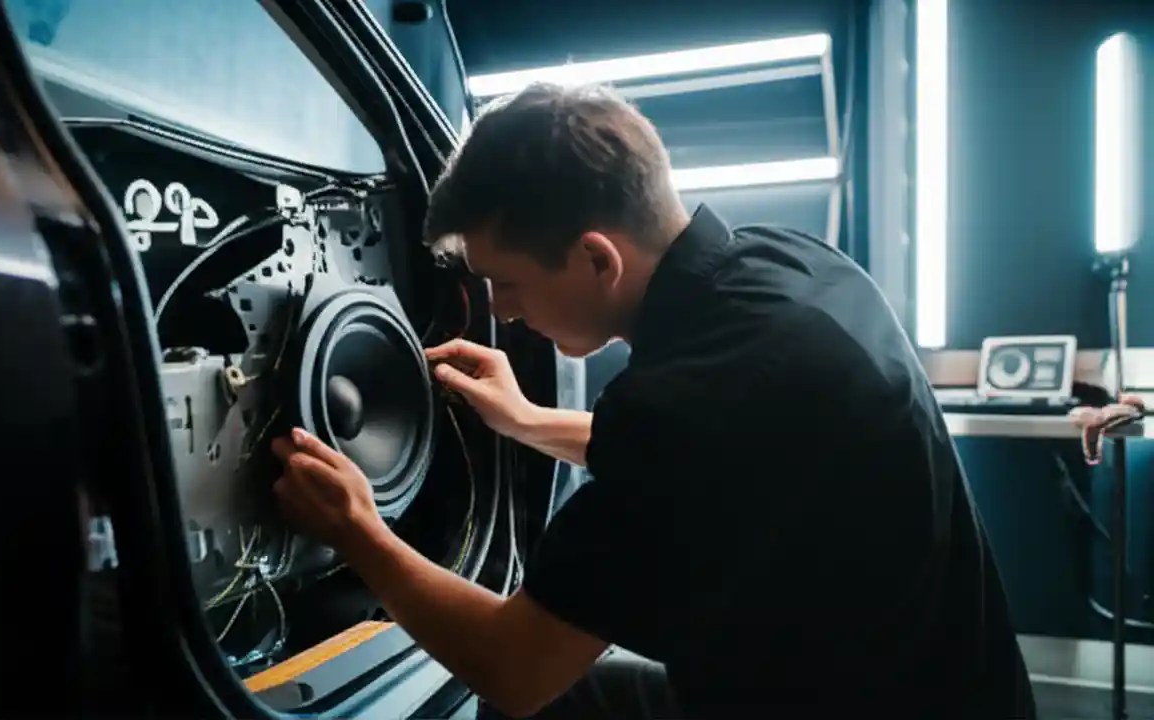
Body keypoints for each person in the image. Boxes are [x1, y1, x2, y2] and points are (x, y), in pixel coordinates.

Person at [270, 82, 1037, 718]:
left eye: (507, 281)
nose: (502, 310)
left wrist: (357, 529)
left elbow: (514, 668)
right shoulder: (790, 263)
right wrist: (529, 422)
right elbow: (728, 457)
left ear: (596, 259)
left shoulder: (678, 414)